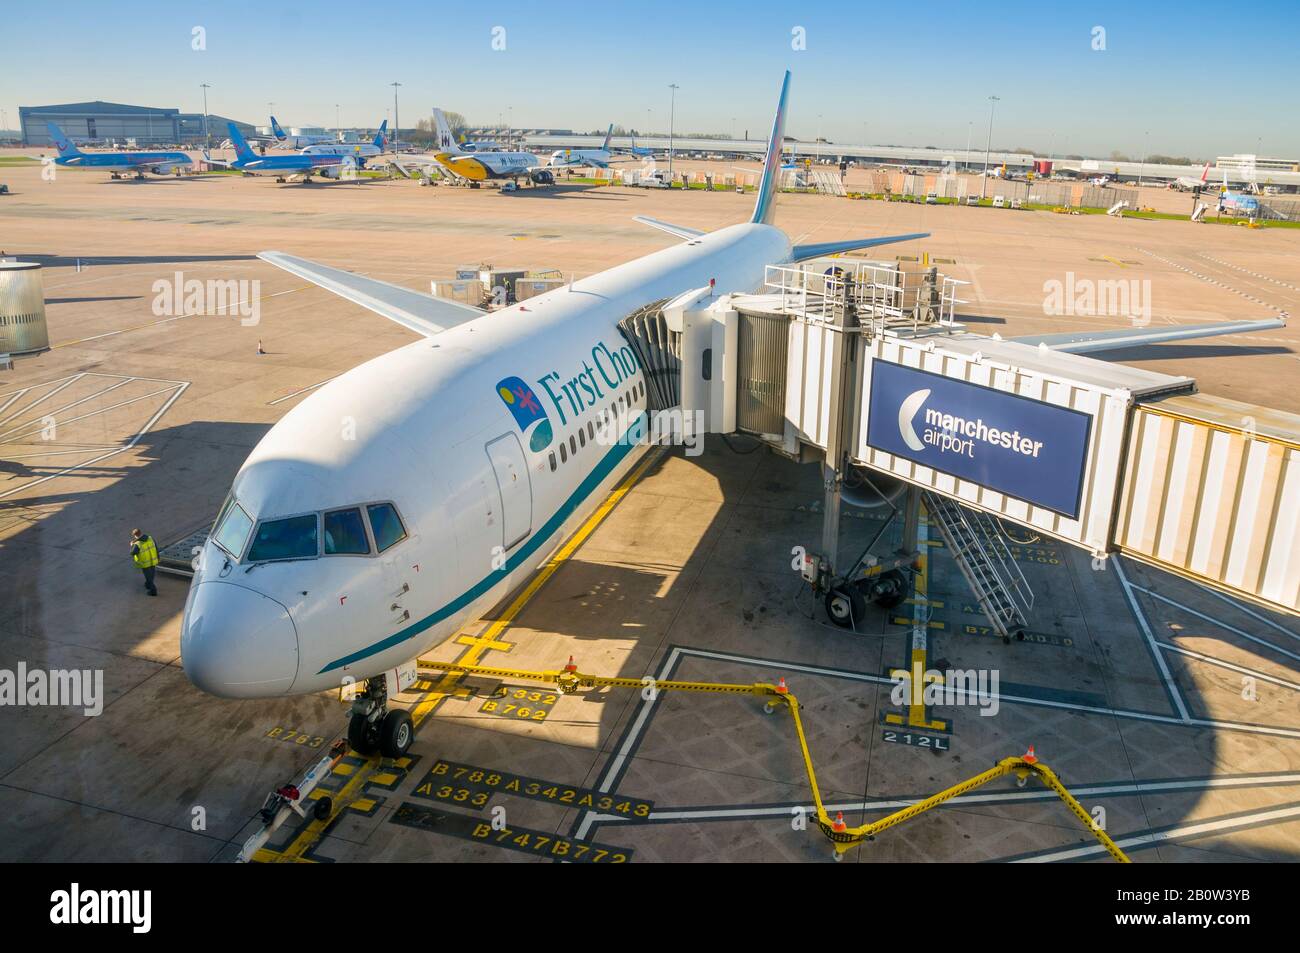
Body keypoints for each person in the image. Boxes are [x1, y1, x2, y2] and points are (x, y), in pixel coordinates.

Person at [130, 528, 159, 596]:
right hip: (153, 560)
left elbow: (132, 553)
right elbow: (156, 547)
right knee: (152, 574)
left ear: (135, 535)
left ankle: (153, 591)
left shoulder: (137, 544)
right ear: (141, 532)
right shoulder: (150, 538)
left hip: (145, 563)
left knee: (148, 577)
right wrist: (158, 557)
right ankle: (147, 584)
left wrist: (132, 545)